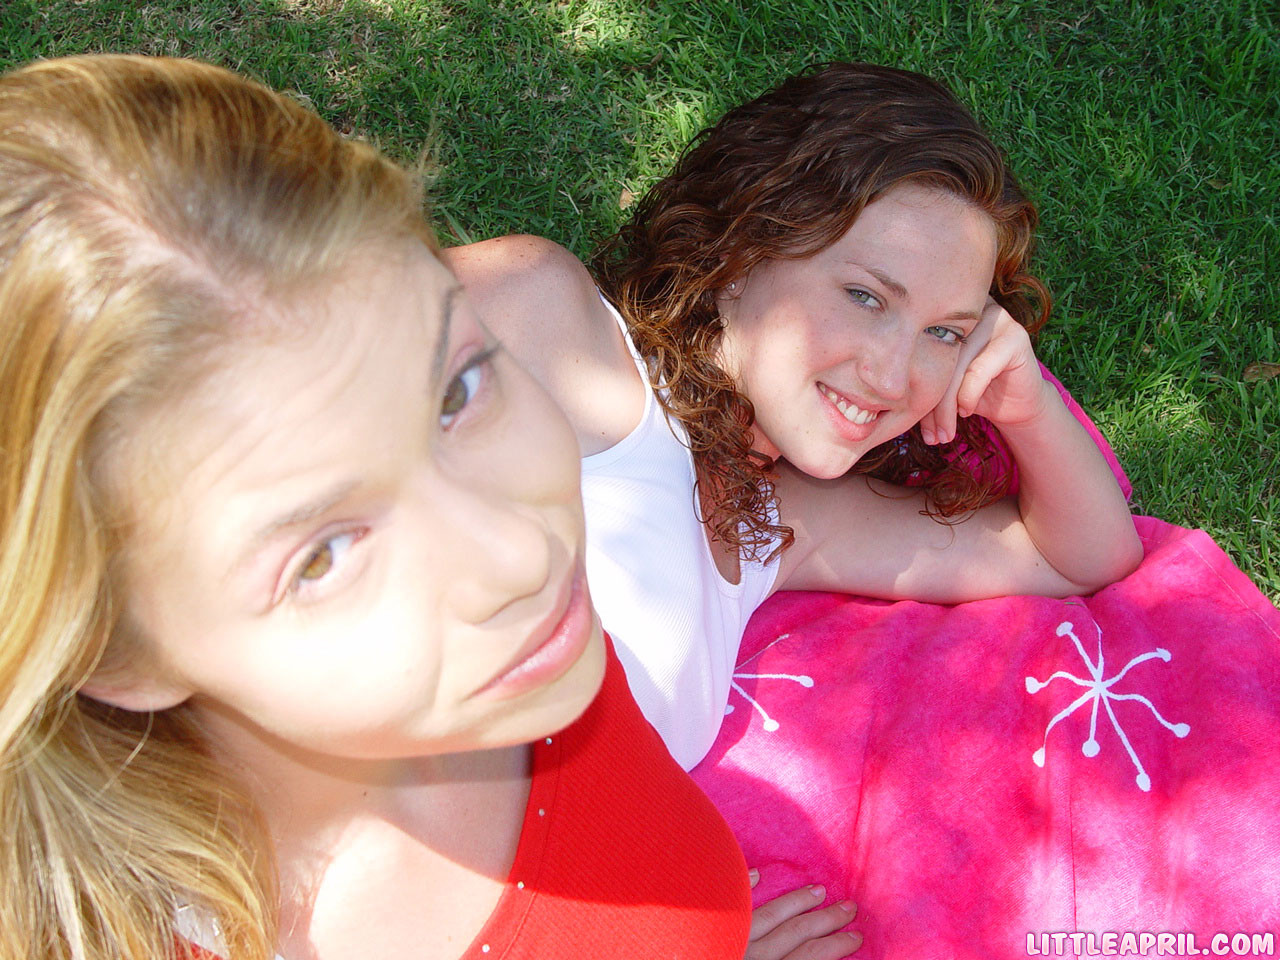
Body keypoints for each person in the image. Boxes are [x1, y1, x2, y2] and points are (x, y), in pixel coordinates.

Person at [0, 55, 862, 960]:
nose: (520, 555)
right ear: (116, 653)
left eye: (455, 391)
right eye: (324, 555)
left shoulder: (508, 665)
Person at [447, 62, 1144, 770]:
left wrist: (1027, 405)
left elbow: (1080, 554)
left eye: (945, 333)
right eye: (866, 296)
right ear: (741, 256)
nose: (894, 375)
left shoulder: (772, 528)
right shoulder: (546, 322)